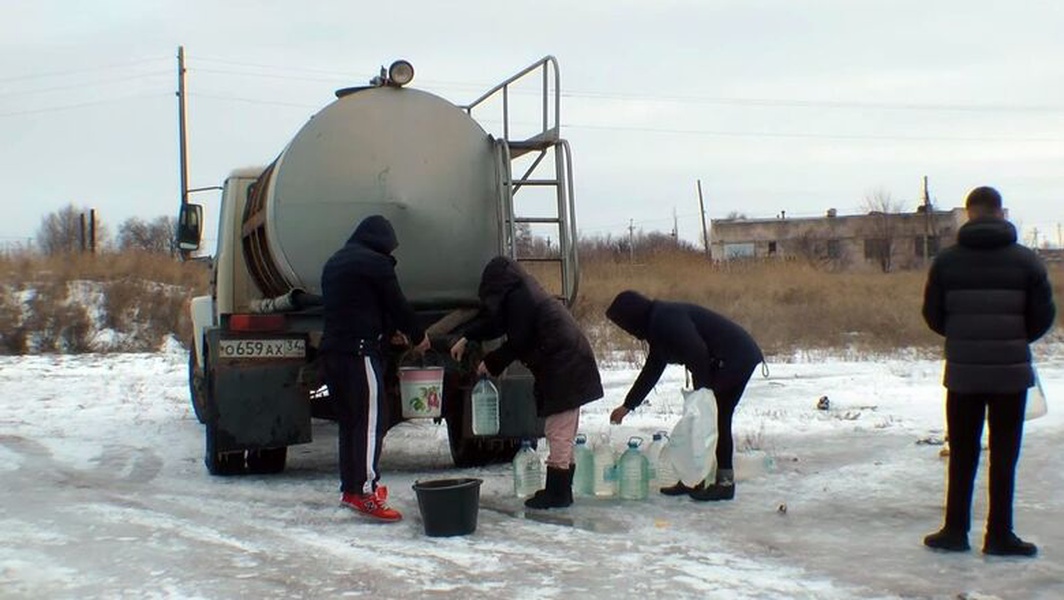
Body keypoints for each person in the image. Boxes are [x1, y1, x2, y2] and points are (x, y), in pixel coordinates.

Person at [921, 186, 1055, 556]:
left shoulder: (947, 262)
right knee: (1004, 454)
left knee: (963, 452)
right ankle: (999, 535)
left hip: (963, 374)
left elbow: (933, 315)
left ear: (969, 214)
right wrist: (1013, 338)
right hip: (1010, 376)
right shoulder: (1026, 261)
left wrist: (964, 335)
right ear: (1000, 213)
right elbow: (1043, 316)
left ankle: (954, 530)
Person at [450, 256, 603, 509]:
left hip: (566, 366)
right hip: (567, 363)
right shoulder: (522, 293)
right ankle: (560, 489)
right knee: (562, 430)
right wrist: (467, 336)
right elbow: (498, 325)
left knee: (558, 430)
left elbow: (518, 341)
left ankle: (558, 492)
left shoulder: (522, 297)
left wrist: (491, 362)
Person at [320, 214, 430, 522]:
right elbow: (396, 303)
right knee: (371, 422)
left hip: (332, 354)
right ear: (383, 243)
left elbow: (358, 306)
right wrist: (418, 335)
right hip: (359, 355)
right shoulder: (377, 264)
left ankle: (351, 489)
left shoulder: (335, 262)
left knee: (349, 423)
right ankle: (367, 493)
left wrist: (386, 331)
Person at [606, 290, 763, 501]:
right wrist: (628, 405)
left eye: (625, 325)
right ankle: (694, 480)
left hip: (735, 358)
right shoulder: (658, 323)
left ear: (633, 317)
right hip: (726, 359)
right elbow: (653, 369)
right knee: (702, 421)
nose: (628, 332)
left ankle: (723, 484)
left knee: (715, 418)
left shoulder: (664, 320)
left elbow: (697, 352)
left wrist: (702, 393)